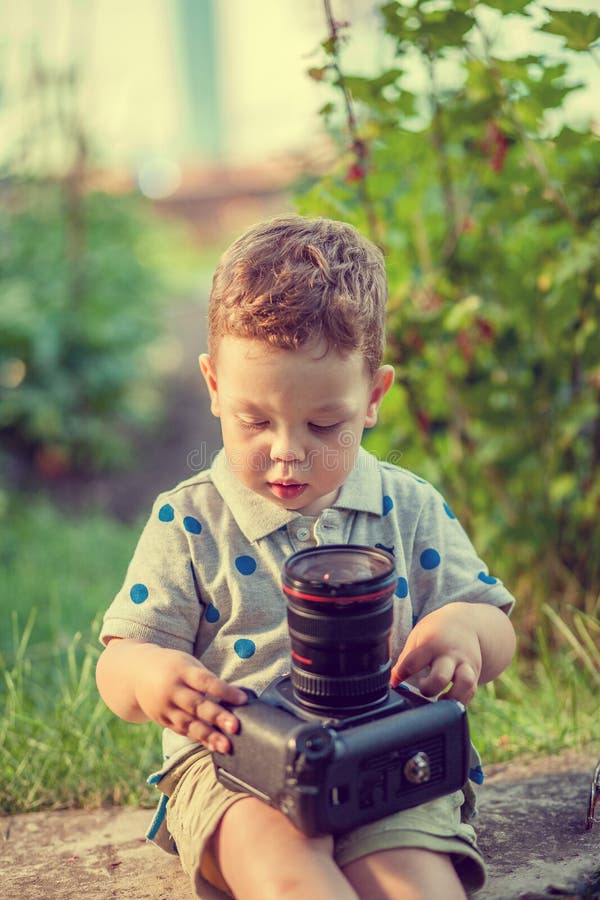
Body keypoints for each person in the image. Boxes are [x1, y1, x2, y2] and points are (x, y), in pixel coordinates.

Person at [96, 215, 516, 900]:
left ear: (374, 397)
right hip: (235, 768)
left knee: (417, 886)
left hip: (383, 756)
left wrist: (465, 633)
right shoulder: (191, 520)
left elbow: (494, 621)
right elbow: (117, 662)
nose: (287, 451)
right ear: (212, 385)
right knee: (288, 876)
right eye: (254, 420)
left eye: (325, 424)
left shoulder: (405, 506)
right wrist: (153, 676)